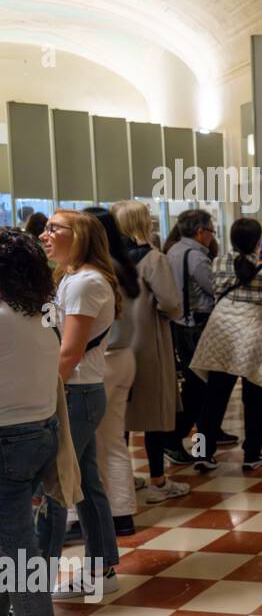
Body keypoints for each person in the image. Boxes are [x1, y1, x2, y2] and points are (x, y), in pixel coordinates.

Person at [37, 210, 121, 599]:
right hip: (81, 391)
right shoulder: (74, 278)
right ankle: (101, 567)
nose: (45, 234)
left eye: (55, 228)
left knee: (55, 485)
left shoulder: (85, 283)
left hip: (75, 392)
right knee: (85, 481)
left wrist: (40, 392)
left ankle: (34, 585)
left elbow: (68, 351)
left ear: (82, 235)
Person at [190, 218, 262, 472]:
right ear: (259, 241)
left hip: (221, 330)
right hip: (252, 331)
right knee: (255, 396)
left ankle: (202, 454)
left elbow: (217, 284)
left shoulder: (218, 262)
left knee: (213, 398)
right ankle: (252, 454)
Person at [0, 230, 60, 616]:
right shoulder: (41, 310)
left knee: (15, 540)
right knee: (18, 536)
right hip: (39, 431)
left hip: (8, 437)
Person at [111, 200, 190, 505]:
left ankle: (125, 478)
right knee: (155, 413)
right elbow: (171, 303)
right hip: (150, 341)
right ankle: (158, 480)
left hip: (118, 343)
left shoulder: (108, 260)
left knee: (122, 415)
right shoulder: (153, 259)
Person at [83, 207, 142, 536]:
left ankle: (92, 518)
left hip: (101, 360)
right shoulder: (122, 266)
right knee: (114, 440)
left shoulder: (97, 272)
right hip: (123, 357)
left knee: (89, 443)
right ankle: (121, 512)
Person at [165, 209, 232, 464]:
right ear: (200, 231)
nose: (211, 236)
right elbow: (214, 288)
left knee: (195, 386)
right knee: (201, 389)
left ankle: (185, 439)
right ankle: (176, 438)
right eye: (211, 231)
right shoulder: (196, 258)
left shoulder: (173, 251)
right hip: (198, 326)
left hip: (181, 325)